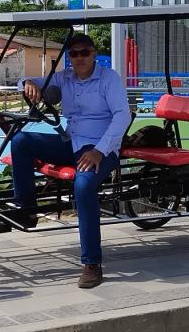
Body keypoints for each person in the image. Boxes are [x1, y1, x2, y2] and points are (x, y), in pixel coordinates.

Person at [10, 33, 130, 289]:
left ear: (94, 54)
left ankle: (92, 263)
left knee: (83, 186)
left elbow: (123, 116)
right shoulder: (64, 77)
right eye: (74, 54)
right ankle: (26, 210)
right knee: (21, 141)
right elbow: (26, 81)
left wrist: (99, 151)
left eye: (84, 52)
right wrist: (28, 83)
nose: (79, 58)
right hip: (71, 142)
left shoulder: (109, 78)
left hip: (100, 147)